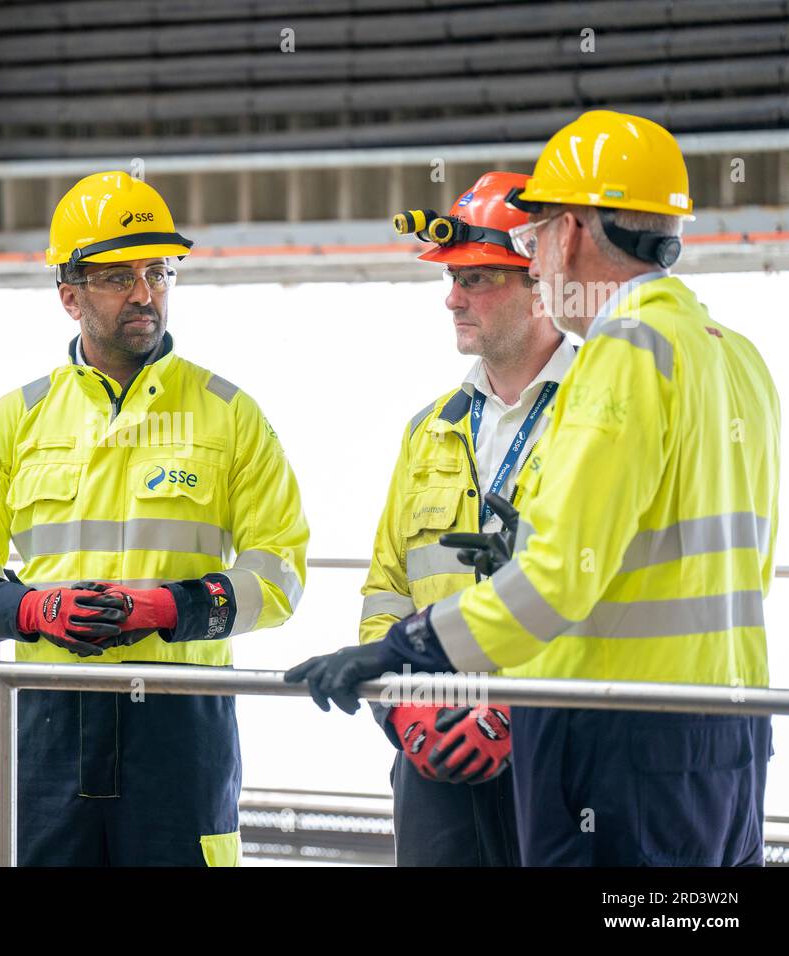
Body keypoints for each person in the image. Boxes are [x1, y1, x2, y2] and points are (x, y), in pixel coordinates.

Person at [289, 110, 779, 866]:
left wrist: (407, 650)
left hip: (621, 736)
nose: (539, 260)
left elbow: (555, 580)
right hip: (729, 733)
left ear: (572, 230)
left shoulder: (625, 349)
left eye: (531, 239)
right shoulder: (735, 356)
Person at [0, 171, 309, 866]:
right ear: (68, 296)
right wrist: (32, 609)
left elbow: (280, 574)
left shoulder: (230, 414)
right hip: (49, 720)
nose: (145, 293)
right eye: (118, 277)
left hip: (180, 720)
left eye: (158, 272)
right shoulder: (15, 419)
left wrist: (170, 607)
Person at [363, 171, 576, 865]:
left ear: (540, 284)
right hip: (433, 756)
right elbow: (386, 592)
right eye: (451, 279)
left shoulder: (599, 414)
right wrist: (402, 710)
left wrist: (517, 713)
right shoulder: (429, 430)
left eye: (477, 279)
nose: (452, 299)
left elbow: (614, 593)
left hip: (556, 753)